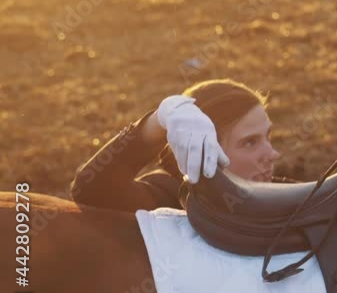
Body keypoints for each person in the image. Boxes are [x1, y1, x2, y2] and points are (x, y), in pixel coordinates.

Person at [71, 78, 284, 213]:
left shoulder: (281, 192)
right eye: (249, 142)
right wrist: (156, 123)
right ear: (203, 147)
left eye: (268, 136)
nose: (272, 154)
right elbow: (92, 189)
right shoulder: (170, 200)